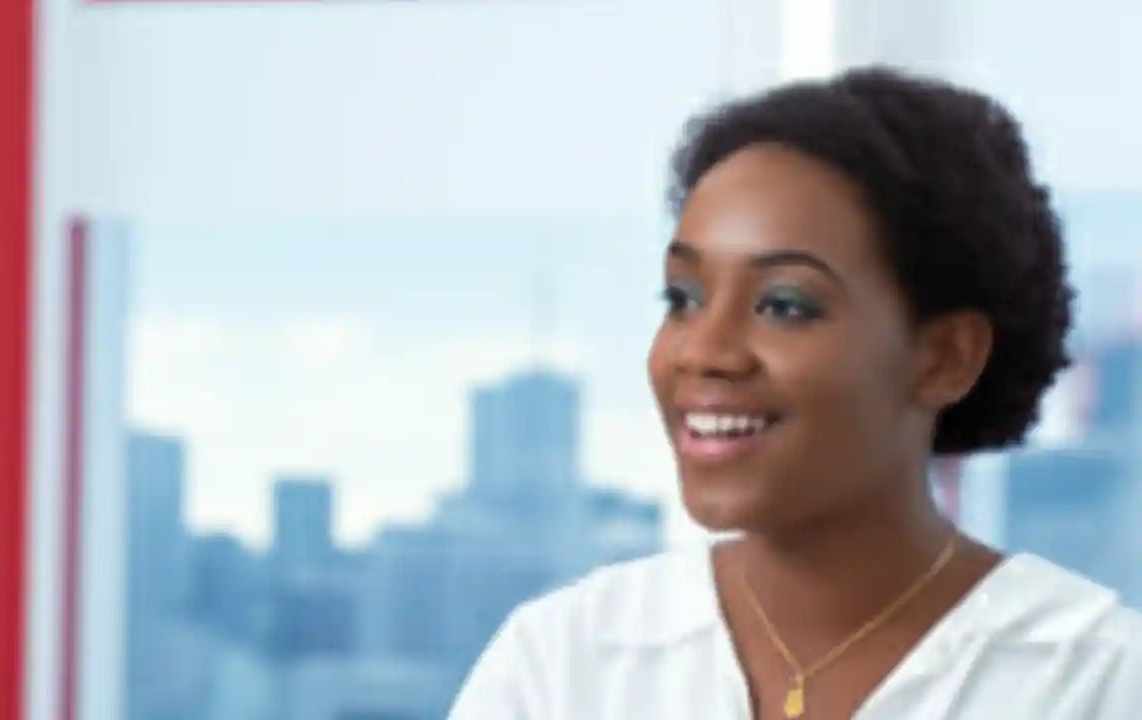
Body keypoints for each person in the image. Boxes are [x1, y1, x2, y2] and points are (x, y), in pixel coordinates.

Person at [448, 67, 1142, 719]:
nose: (703, 351)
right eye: (683, 297)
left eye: (784, 304)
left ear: (944, 357)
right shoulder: (564, 665)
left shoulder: (1094, 680)